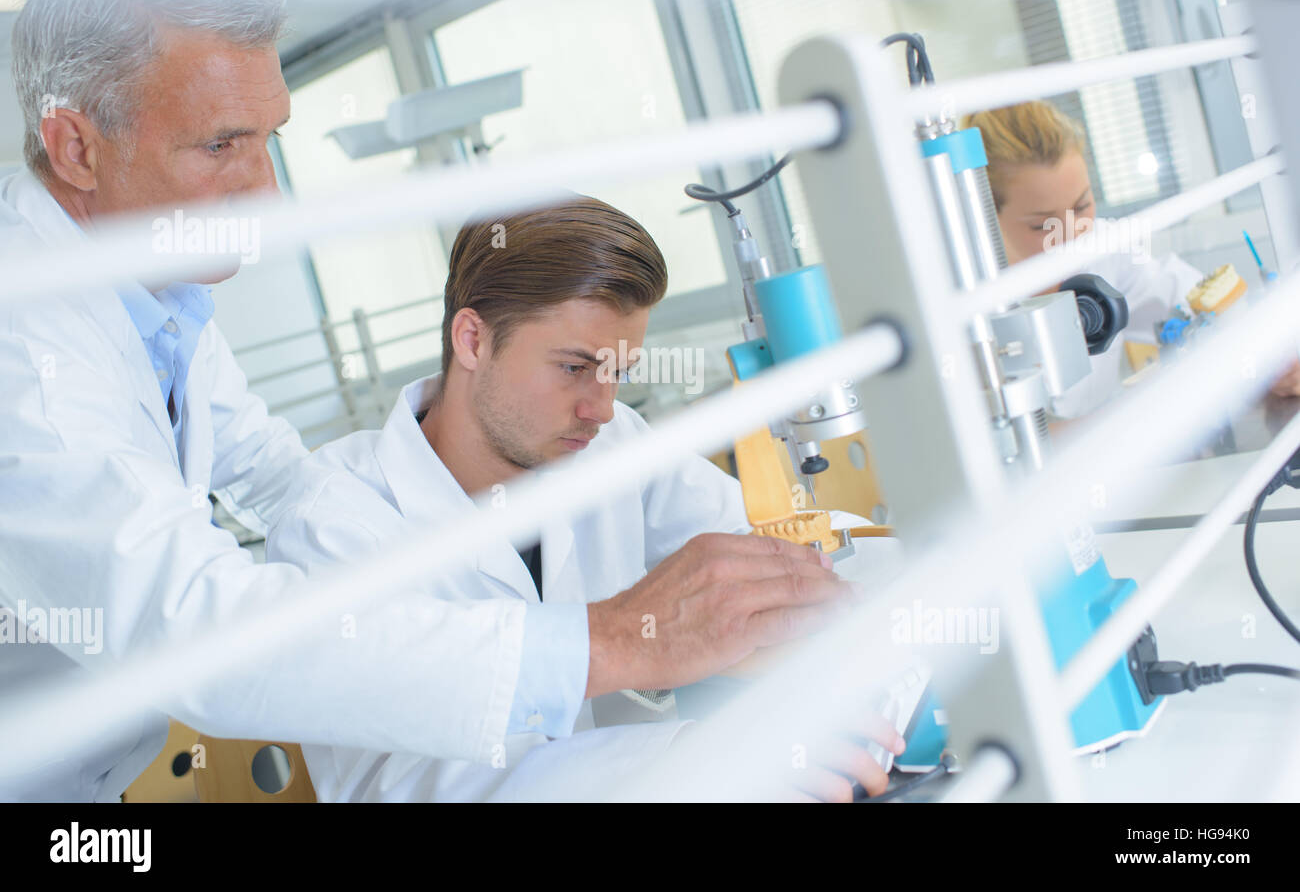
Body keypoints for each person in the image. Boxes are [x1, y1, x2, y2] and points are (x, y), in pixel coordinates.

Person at [0, 0, 858, 801]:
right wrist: (614, 643)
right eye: (222, 144)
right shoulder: (26, 360)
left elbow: (267, 467)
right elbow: (198, 632)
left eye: (270, 140)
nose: (264, 193)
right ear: (74, 145)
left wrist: (393, 541)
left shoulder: (157, 290)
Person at [267, 195, 905, 802]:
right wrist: (694, 763)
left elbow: (769, 553)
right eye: (574, 367)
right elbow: (396, 789)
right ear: (472, 340)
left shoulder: (610, 444)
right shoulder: (333, 524)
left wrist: (891, 596)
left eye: (619, 373)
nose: (601, 408)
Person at [965, 99, 1300, 418]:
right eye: (1041, 224)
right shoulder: (964, 302)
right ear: (986, 217)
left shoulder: (1107, 252)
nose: (1073, 234)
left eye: (1082, 206)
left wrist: (1268, 357)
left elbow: (1186, 302)